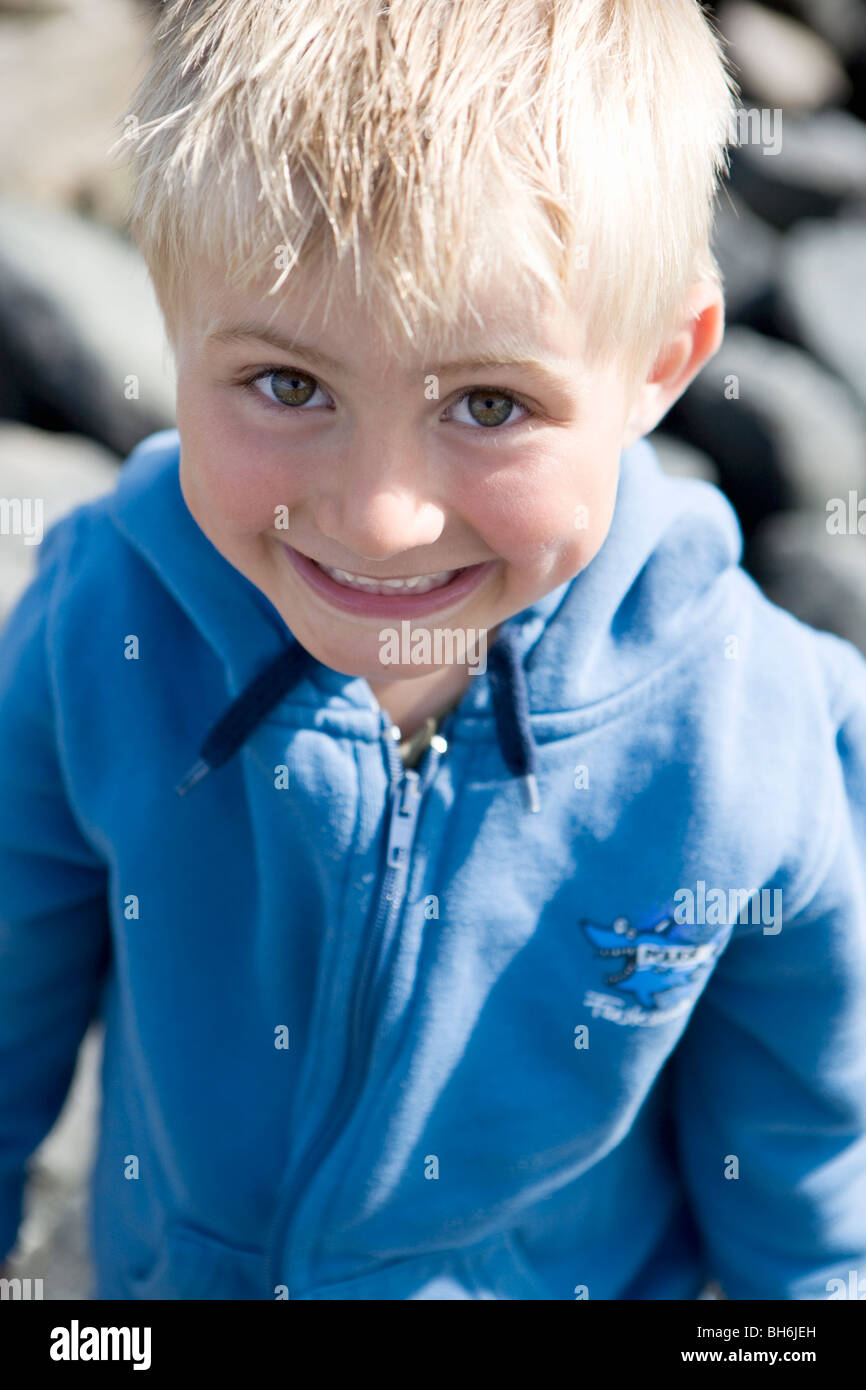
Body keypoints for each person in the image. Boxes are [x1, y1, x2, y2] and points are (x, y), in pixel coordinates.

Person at [2, 0, 865, 1301]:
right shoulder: (104, 620)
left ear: (657, 363)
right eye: (288, 386)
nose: (380, 517)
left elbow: (800, 1141)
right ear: (166, 304)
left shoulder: (749, 731)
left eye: (489, 403)